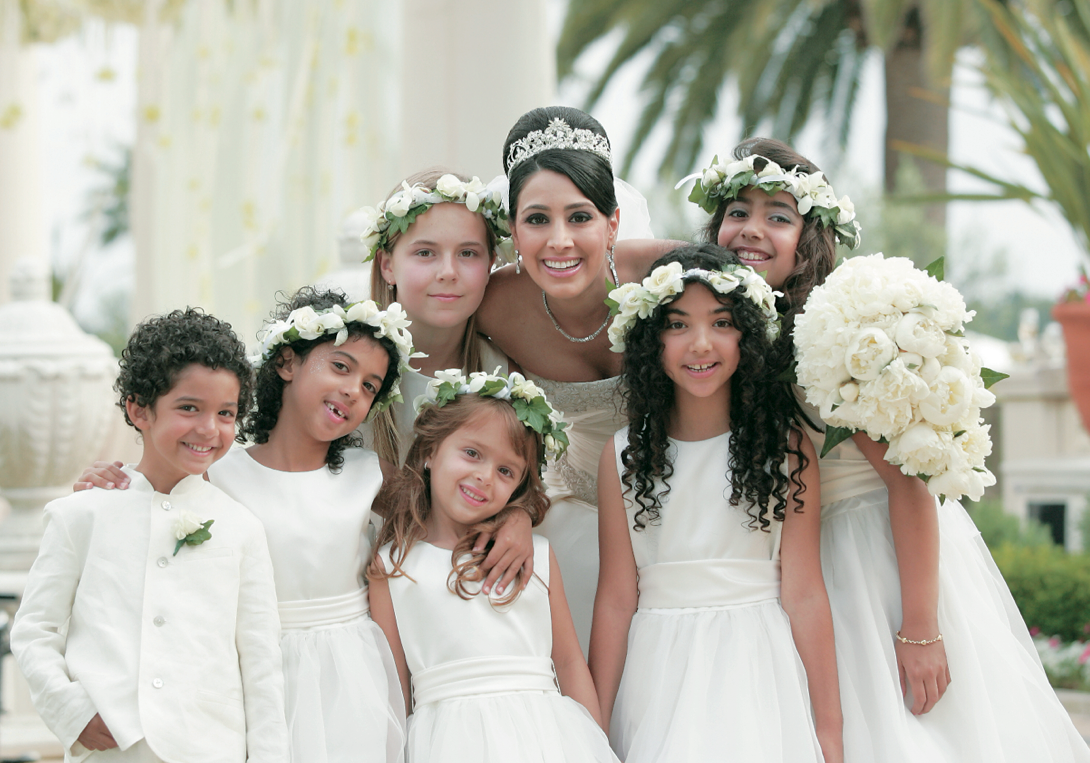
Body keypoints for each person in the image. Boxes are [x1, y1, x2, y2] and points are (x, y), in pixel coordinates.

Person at [693, 137, 1090, 763]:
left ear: (810, 237)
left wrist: (921, 629)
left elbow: (909, 485)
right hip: (798, 565)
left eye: (779, 215)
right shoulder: (724, 334)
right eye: (737, 211)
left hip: (877, 555)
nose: (752, 230)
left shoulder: (836, 333)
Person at [589, 244, 843, 762]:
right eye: (678, 325)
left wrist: (830, 731)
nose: (700, 344)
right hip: (659, 670)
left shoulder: (787, 448)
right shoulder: (622, 455)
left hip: (758, 664)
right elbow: (616, 599)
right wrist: (594, 727)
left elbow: (806, 595)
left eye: (722, 323)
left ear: (747, 336)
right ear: (650, 340)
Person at [12, 308, 287, 763]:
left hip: (210, 747)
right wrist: (73, 711)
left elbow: (261, 667)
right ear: (139, 408)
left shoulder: (242, 528)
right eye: (189, 408)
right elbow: (33, 630)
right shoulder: (81, 515)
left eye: (225, 414)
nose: (208, 429)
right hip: (112, 748)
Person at [474, 105, 685, 652]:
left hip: (686, 507)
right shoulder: (494, 307)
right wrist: (518, 508)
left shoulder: (675, 278)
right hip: (569, 515)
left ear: (613, 222)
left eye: (580, 217)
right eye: (537, 219)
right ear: (513, 229)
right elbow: (491, 422)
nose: (559, 241)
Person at [368, 369, 618, 763]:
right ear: (430, 451)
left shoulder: (536, 554)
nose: (485, 477)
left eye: (506, 471)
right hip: (447, 743)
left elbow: (569, 661)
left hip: (548, 737)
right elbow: (396, 687)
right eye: (472, 453)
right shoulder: (391, 567)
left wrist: (597, 743)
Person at [360, 167, 513, 467]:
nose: (448, 273)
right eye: (425, 253)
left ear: (490, 265)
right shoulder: (348, 367)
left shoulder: (505, 374)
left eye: (467, 253)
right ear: (388, 266)